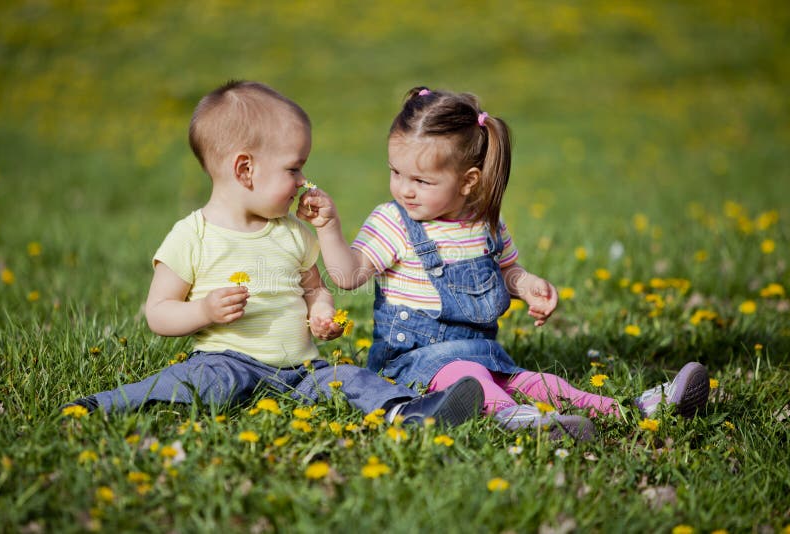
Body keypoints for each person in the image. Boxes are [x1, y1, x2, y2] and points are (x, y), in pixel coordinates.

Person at [61, 81, 485, 427]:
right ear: (245, 170)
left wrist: (320, 312)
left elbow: (314, 288)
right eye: (293, 169)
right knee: (194, 382)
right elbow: (158, 312)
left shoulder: (294, 235)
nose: (304, 180)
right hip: (226, 359)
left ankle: (410, 411)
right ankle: (101, 406)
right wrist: (204, 311)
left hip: (301, 369)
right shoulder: (192, 235)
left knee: (349, 379)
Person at [297, 86, 710, 441]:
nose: (404, 189)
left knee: (538, 381)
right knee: (470, 379)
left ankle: (630, 408)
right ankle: (518, 420)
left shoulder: (484, 223)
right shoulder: (393, 222)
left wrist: (526, 284)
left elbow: (506, 271)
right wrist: (329, 227)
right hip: (412, 365)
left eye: (421, 181)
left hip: (482, 352)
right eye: (395, 172)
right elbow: (349, 277)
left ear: (468, 181)